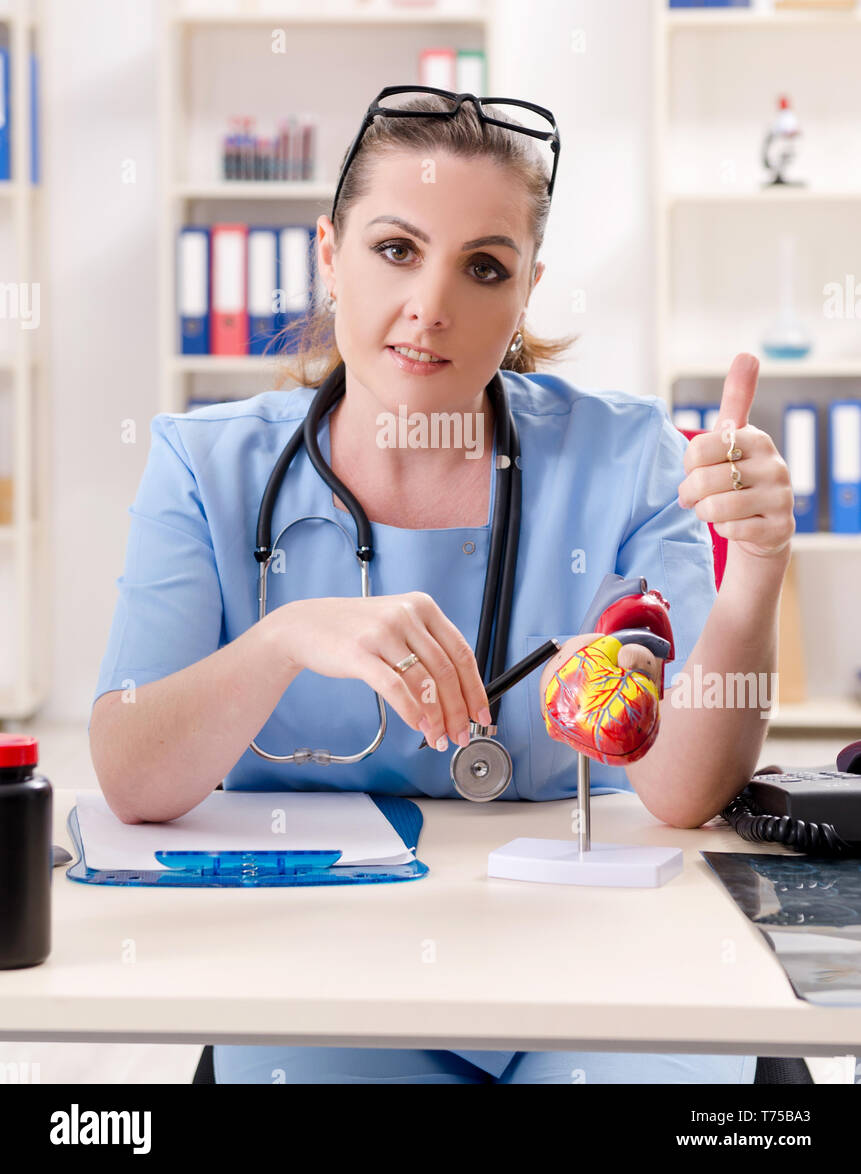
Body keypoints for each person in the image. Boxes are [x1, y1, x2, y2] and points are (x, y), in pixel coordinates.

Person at [90, 90, 794, 1084]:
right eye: (395, 249)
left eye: (485, 267)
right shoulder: (209, 466)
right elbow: (130, 771)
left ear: (526, 293)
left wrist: (756, 570)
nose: (432, 305)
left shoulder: (626, 456)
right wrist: (285, 636)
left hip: (591, 956)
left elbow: (679, 791)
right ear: (329, 254)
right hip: (323, 965)